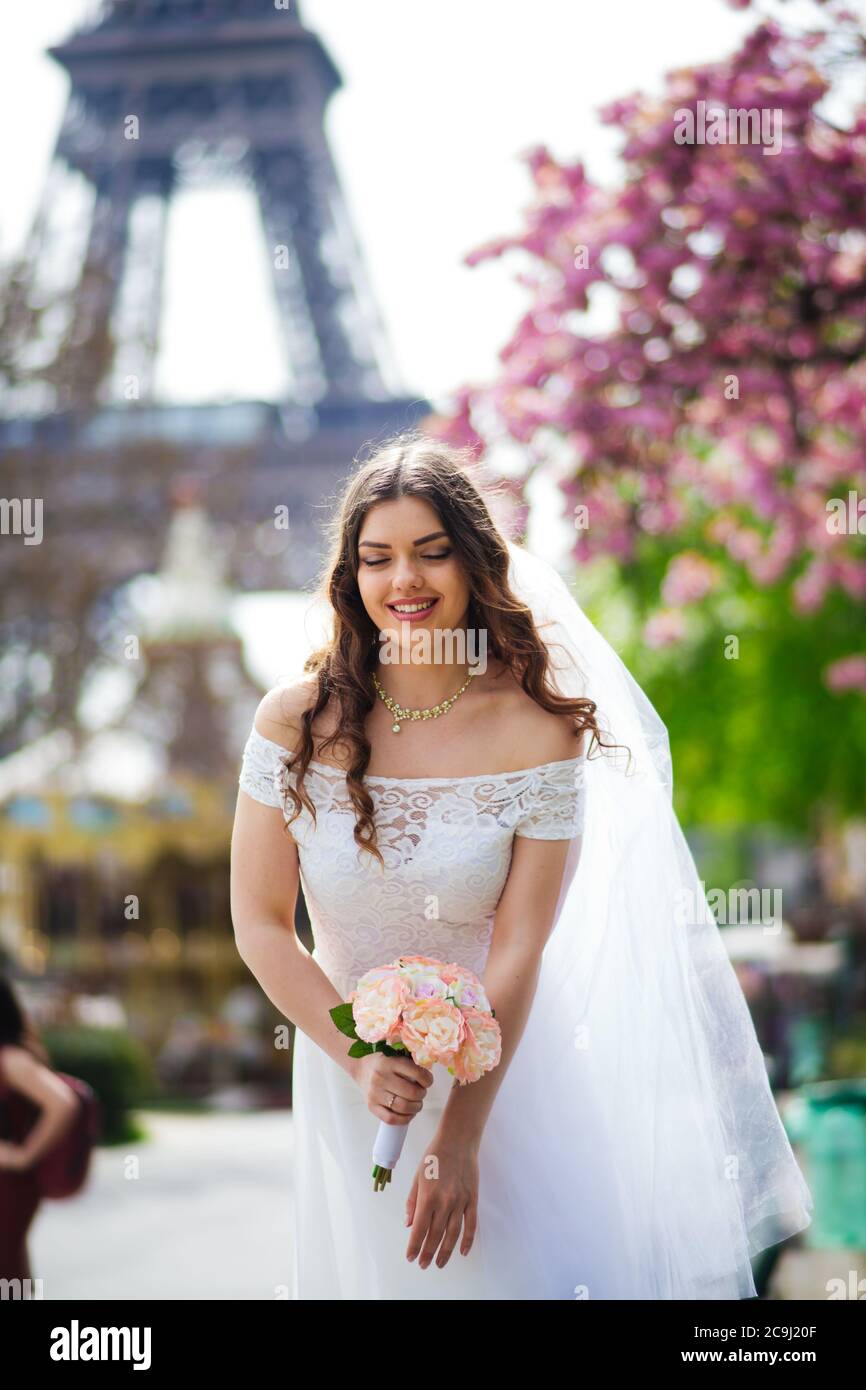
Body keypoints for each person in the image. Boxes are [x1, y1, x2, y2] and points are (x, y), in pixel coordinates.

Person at [230, 431, 813, 1300]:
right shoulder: (293, 722)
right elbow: (261, 925)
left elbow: (519, 946)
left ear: (474, 562)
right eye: (377, 559)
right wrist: (358, 1057)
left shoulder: (539, 732)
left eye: (432, 554)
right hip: (347, 1075)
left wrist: (462, 1133)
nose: (405, 583)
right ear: (350, 575)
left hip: (502, 1087)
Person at [0, 976, 78, 1283]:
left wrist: (22, 1156)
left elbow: (63, 1102)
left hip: (7, 1186)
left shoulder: (11, 1058)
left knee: (7, 1269)